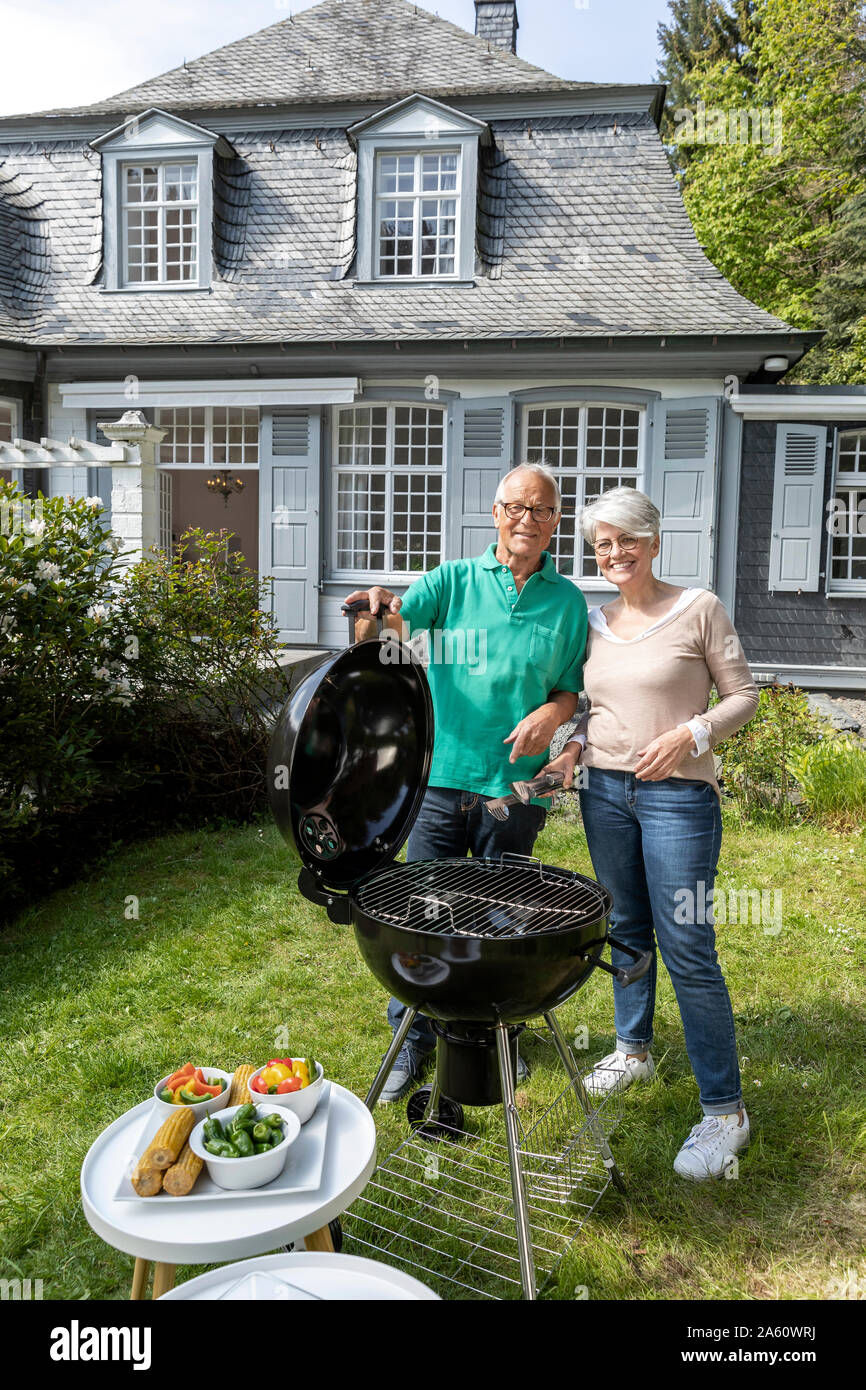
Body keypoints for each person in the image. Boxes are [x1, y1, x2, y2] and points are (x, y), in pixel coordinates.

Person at [346, 463, 588, 1102]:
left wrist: (552, 713)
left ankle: (496, 1040)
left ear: (555, 523)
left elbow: (570, 690)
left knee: (502, 923)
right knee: (421, 917)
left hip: (515, 790)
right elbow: (392, 636)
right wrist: (376, 611)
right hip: (440, 780)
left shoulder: (567, 603)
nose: (526, 521)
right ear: (496, 512)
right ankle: (413, 1044)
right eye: (516, 508)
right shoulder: (452, 580)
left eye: (540, 512)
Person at [543, 486, 759, 1180]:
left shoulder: (699, 608)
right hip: (604, 793)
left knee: (688, 945)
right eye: (601, 544)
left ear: (653, 539)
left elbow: (743, 696)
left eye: (625, 540)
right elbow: (594, 706)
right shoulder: (593, 621)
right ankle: (632, 1051)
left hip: (680, 799)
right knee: (626, 928)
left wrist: (691, 733)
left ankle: (725, 1113)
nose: (613, 554)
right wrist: (574, 744)